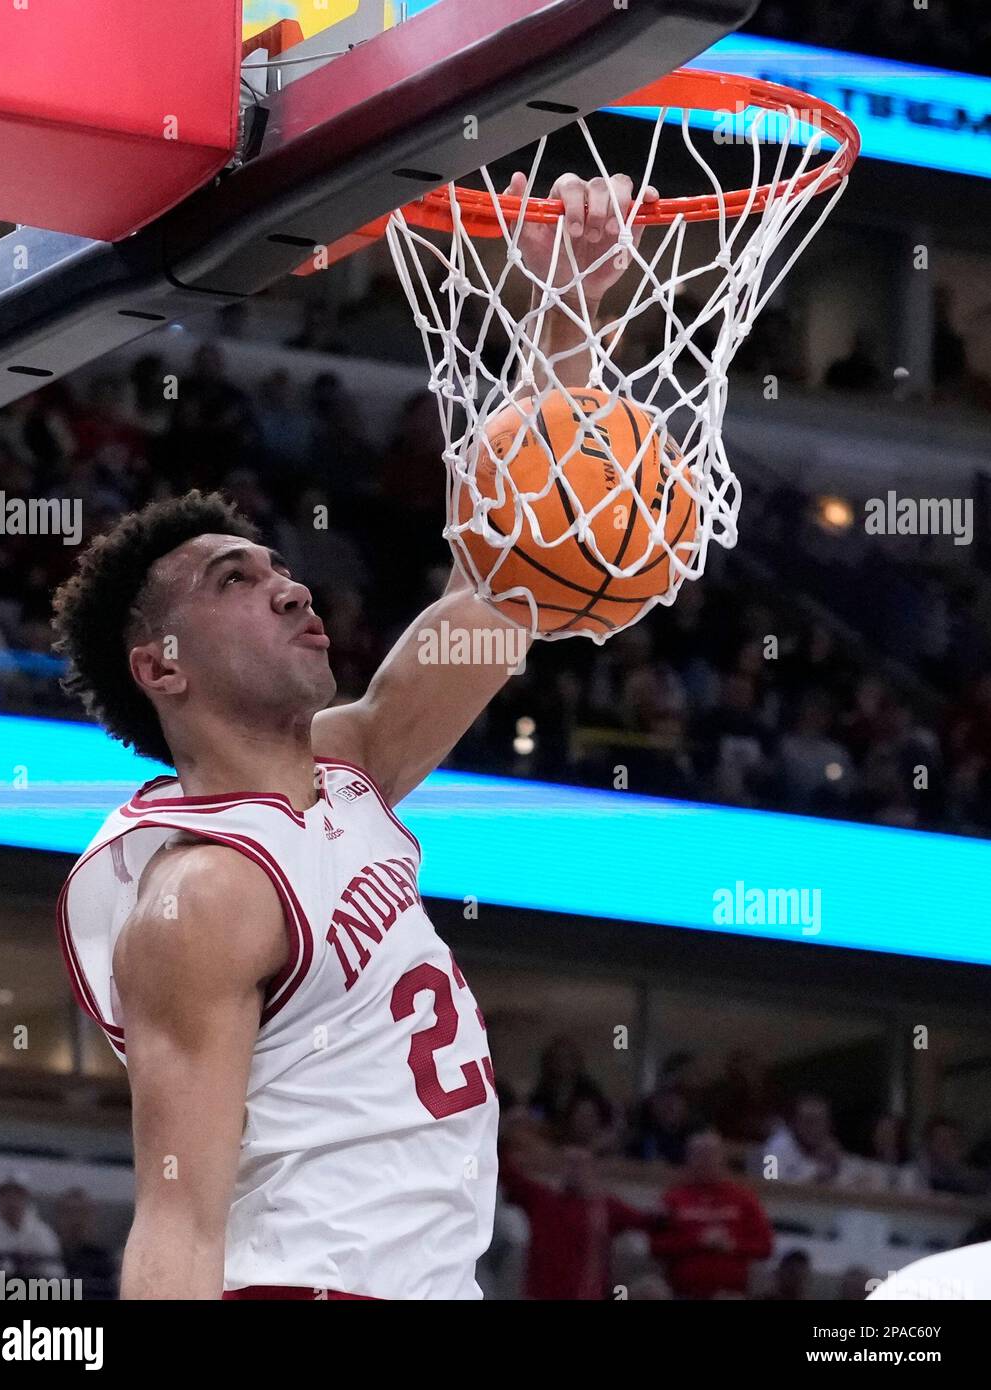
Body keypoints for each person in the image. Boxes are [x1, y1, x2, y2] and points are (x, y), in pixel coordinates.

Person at [51, 172, 657, 1301]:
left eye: (283, 568)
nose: (288, 588)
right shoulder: (202, 897)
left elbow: (513, 578)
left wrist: (566, 311)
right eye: (237, 580)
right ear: (160, 666)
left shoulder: (349, 769)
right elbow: (177, 1216)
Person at [499, 1144, 660, 1300]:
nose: (574, 1170)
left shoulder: (604, 1209)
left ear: (592, 1170)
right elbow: (508, 1175)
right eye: (569, 1164)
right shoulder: (542, 1199)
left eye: (580, 1165)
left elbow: (649, 1221)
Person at [650, 1130, 774, 1299]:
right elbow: (657, 1245)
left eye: (710, 1155)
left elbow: (766, 1246)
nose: (705, 1161)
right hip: (682, 1292)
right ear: (688, 1159)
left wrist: (732, 1245)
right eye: (698, 1155)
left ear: (722, 1158)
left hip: (730, 1294)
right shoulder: (672, 1199)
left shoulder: (744, 1198)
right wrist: (698, 1241)